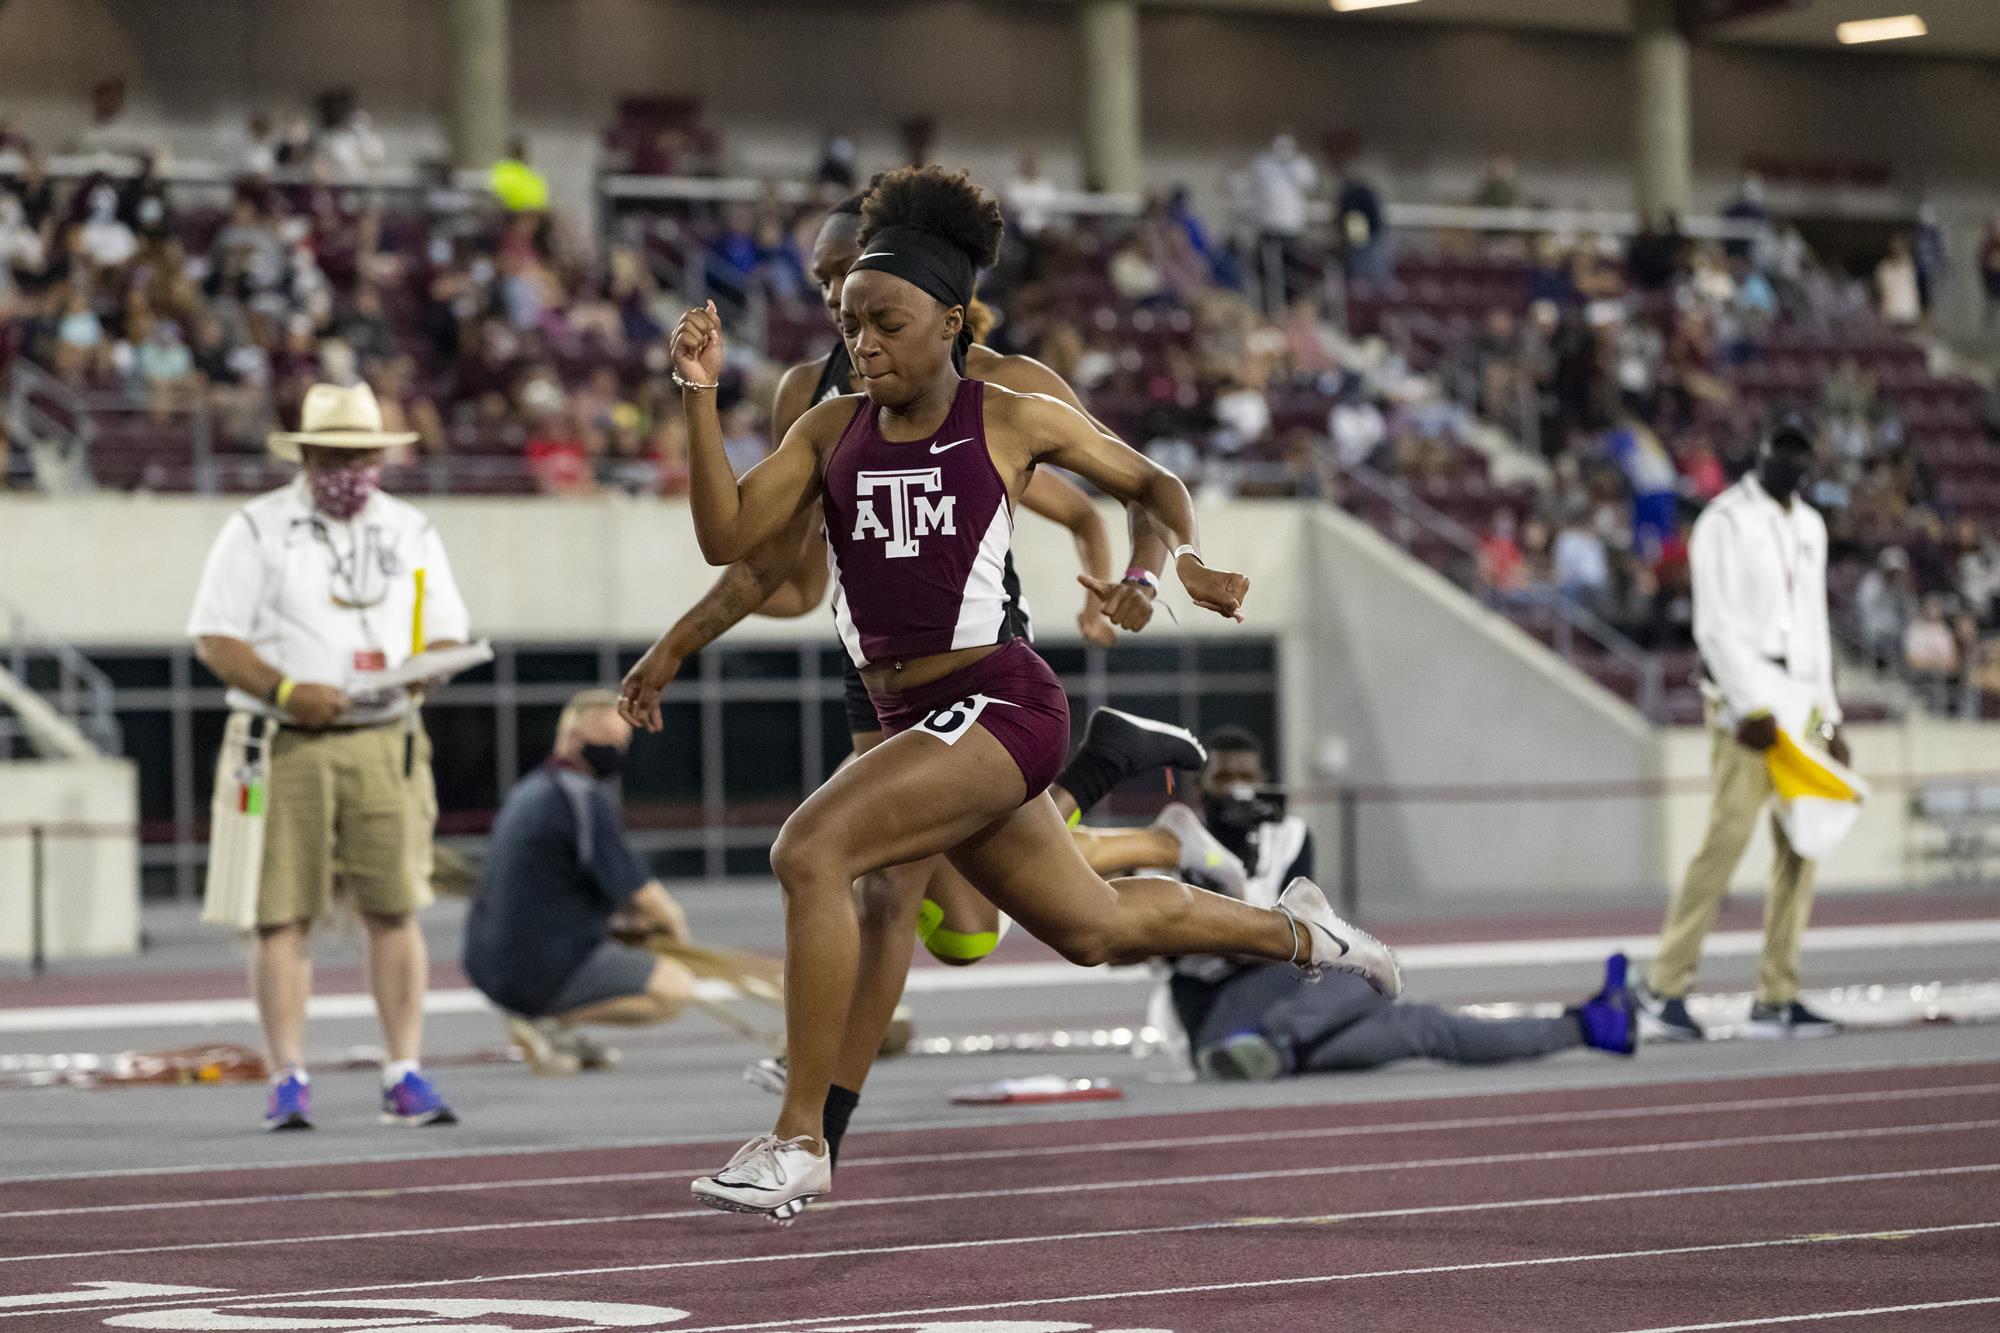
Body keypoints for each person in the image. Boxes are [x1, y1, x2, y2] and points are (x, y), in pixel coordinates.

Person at [666, 165, 1398, 1221]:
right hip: (908, 719)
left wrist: (1172, 568)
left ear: (950, 322)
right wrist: (697, 395)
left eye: (884, 323)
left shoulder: (1008, 412)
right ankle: (1301, 932)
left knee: (811, 854)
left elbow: (1151, 485)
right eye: (848, 323)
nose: (861, 344)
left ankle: (801, 1141)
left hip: (1000, 702)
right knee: (1093, 928)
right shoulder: (828, 429)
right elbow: (725, 536)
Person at [619, 184, 1213, 1158]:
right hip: (874, 669)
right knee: (968, 926)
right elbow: (771, 566)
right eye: (825, 286)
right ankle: (1124, 810)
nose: (835, 302)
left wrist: (1128, 580)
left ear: (931, 298)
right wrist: (676, 644)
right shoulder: (814, 400)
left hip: (981, 663)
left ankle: (816, 1127)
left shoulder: (1002, 389)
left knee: (872, 881)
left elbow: (1097, 497)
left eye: (849, 280)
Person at [186, 382, 470, 1131]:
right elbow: (215, 636)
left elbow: (446, 628)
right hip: (287, 740)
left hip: (385, 735)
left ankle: (404, 1070)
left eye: (363, 455)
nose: (352, 469)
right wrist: (286, 690)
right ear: (308, 456)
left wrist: (428, 668)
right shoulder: (258, 527)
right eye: (337, 456)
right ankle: (288, 1075)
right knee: (279, 914)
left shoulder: (409, 527)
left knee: (395, 906)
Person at [1150, 729, 1634, 1079]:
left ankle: (1589, 1027)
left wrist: (1245, 932)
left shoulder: (1289, 835)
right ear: (1199, 787)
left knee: (1423, 1025)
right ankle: (1270, 1044)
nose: (1236, 788)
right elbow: (1189, 942)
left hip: (1296, 1004)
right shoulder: (1172, 844)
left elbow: (1296, 932)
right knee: (1365, 967)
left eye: (1246, 776)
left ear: (1265, 779)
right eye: (1224, 777)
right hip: (1220, 1015)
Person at [1636, 414, 1845, 1043]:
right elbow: (1714, 626)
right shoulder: (1724, 520)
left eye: (1802, 450)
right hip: (1746, 695)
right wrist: (1748, 706)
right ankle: (1664, 986)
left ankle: (1777, 995)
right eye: (1784, 447)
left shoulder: (1810, 525)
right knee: (1727, 839)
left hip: (1800, 699)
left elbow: (1813, 624)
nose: (1793, 461)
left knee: (1801, 845)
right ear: (1762, 449)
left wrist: (1828, 714)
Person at [463, 690, 696, 1074]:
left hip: (488, 963)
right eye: (611, 744)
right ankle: (549, 1023)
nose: (618, 754)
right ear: (575, 739)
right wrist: (676, 933)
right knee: (675, 989)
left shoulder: (529, 790)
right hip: (539, 965)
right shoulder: (581, 798)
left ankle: (549, 1026)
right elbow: (643, 895)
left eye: (623, 745)